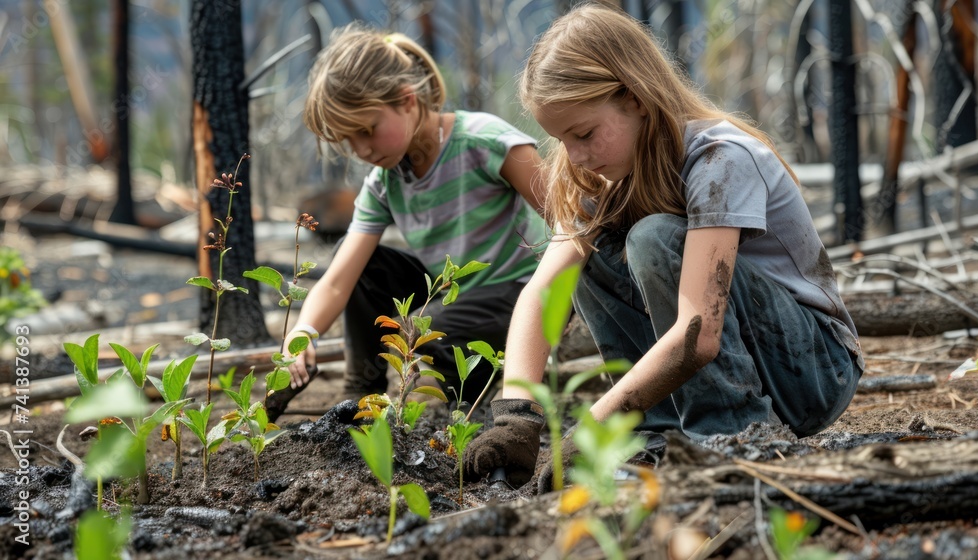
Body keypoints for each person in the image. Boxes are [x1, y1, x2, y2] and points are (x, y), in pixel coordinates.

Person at [463, 3, 865, 491]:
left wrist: (594, 428)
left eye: (584, 133)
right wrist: (516, 413)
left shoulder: (720, 159)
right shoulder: (599, 179)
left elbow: (699, 333)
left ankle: (734, 436)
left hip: (812, 371)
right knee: (585, 261)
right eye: (562, 140)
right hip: (738, 363)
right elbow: (543, 291)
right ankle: (657, 435)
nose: (576, 156)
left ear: (634, 97)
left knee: (653, 238)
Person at [266, 23, 548, 422]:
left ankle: (468, 408)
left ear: (407, 100)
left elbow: (570, 219)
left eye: (367, 131)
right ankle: (360, 395)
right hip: (455, 293)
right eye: (348, 140)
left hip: (522, 290)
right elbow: (338, 280)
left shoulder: (485, 142)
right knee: (368, 267)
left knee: (432, 328)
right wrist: (303, 332)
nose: (361, 149)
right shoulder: (385, 182)